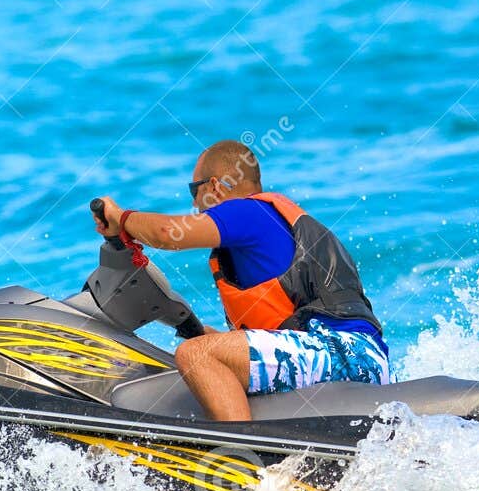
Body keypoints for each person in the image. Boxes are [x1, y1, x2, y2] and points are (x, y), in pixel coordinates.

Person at [92, 140, 389, 421]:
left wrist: (121, 217)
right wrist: (203, 333)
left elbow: (168, 234)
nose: (195, 203)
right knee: (206, 346)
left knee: (195, 354)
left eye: (194, 191)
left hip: (343, 352)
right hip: (351, 355)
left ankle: (241, 462)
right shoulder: (262, 232)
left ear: (215, 187)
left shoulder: (251, 211)